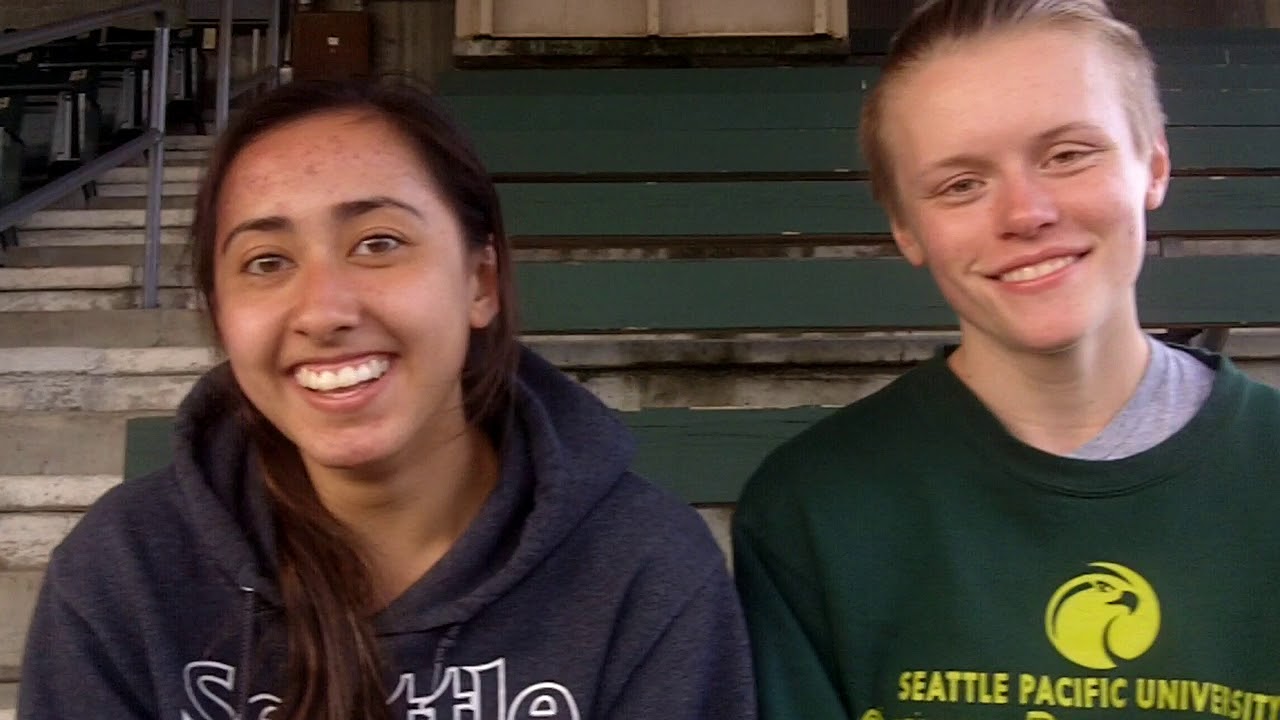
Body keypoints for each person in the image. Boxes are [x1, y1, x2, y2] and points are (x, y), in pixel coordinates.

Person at [20, 79, 755, 720]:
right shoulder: (125, 576)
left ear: (480, 283)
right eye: (266, 262)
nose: (323, 310)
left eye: (378, 243)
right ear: (221, 317)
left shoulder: (642, 574)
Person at [733, 1, 1280, 718]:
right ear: (907, 227)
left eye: (1067, 154)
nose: (1025, 213)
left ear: (1153, 165)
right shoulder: (813, 510)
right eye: (961, 184)